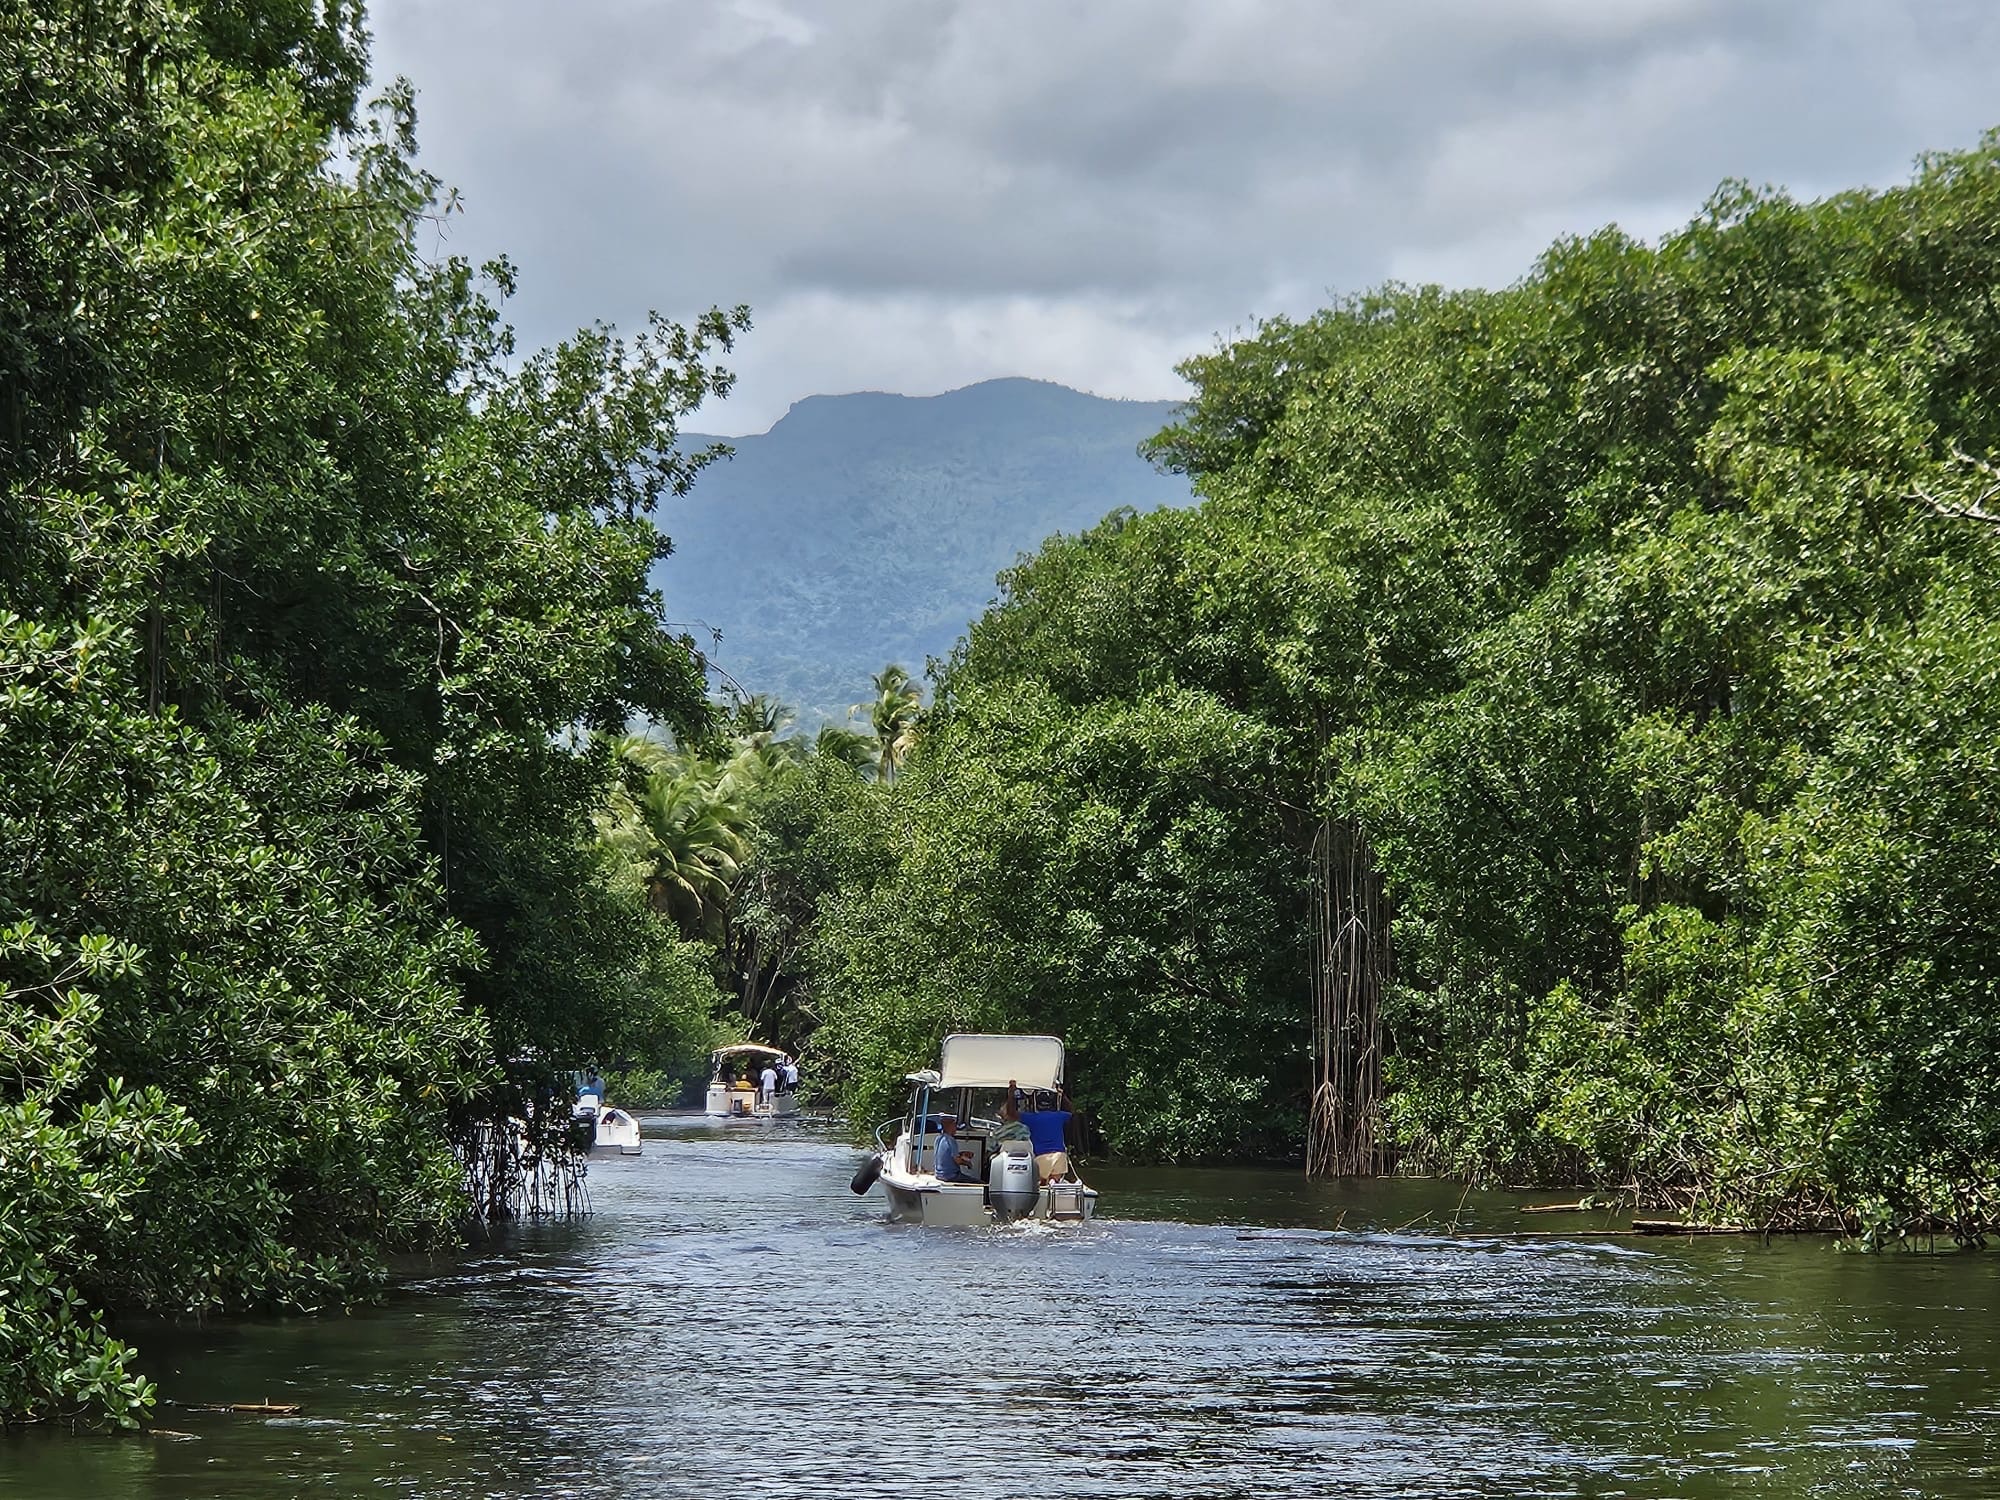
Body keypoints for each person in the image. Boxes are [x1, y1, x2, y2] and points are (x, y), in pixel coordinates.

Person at [1019, 1091, 1073, 1182]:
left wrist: (1012, 1092)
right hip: (1059, 1156)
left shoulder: (1030, 1118)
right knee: (1054, 1185)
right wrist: (1062, 1095)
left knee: (1041, 1185)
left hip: (1040, 1156)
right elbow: (1070, 1110)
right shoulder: (1060, 1115)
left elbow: (1011, 1113)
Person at [932, 1114, 976, 1183]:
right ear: (951, 1127)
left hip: (939, 1175)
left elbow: (947, 1155)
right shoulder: (951, 1140)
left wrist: (962, 1154)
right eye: (955, 1126)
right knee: (982, 1184)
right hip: (950, 1176)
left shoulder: (938, 1138)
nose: (956, 1128)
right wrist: (968, 1163)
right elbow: (957, 1161)